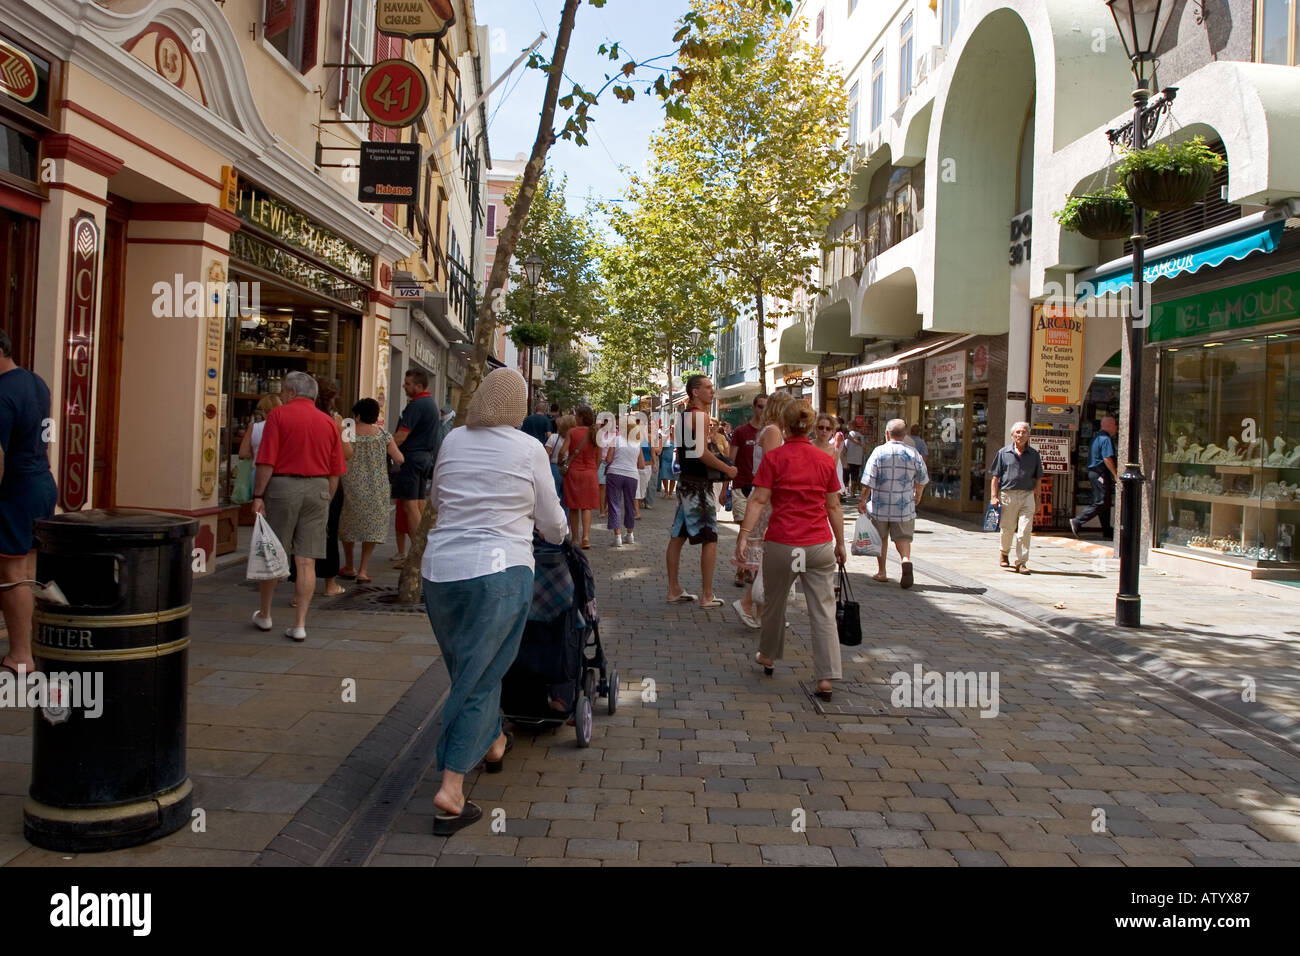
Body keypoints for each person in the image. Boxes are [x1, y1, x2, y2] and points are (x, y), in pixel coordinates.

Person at [421, 368, 568, 835]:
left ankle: (492, 741)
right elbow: (551, 519)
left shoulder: (453, 440)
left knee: (468, 670)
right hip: (499, 571)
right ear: (518, 408)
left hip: (440, 571)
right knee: (480, 677)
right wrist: (560, 536)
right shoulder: (529, 448)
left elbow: (436, 500)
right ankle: (451, 787)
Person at [736, 400, 846, 701]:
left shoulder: (775, 458)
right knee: (823, 610)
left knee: (775, 603)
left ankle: (768, 656)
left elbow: (759, 499)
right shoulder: (825, 459)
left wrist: (744, 535)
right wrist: (840, 543)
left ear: (784, 425)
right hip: (817, 544)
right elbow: (833, 506)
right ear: (810, 426)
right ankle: (826, 677)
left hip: (783, 542)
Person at [252, 371, 347, 641]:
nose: (283, 395)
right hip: (318, 488)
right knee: (307, 560)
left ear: (292, 392)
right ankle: (300, 624)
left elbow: (267, 460)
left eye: (284, 391)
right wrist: (327, 498)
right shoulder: (328, 422)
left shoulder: (278, 415)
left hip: (283, 487)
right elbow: (336, 469)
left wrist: (258, 495)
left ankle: (265, 614)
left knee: (273, 552)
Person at [0, 328, 57, 675]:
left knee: (11, 574)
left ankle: (20, 656)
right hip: (42, 482)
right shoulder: (36, 382)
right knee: (29, 571)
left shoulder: (3, 391)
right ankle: (33, 648)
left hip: (16, 489)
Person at [666, 375, 737, 609]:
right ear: (695, 392)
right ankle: (707, 594)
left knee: (677, 537)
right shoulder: (699, 416)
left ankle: (674, 589)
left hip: (687, 483)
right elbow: (700, 453)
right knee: (710, 537)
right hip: (698, 486)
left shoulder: (684, 416)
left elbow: (689, 452)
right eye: (707, 387)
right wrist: (726, 468)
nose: (712, 391)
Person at [733, 391, 794, 628]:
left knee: (768, 559)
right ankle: (748, 603)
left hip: (766, 495)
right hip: (768, 498)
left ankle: (763, 611)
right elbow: (774, 467)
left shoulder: (771, 430)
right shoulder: (773, 432)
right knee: (772, 559)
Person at [859, 418, 929, 589]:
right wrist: (918, 494)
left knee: (880, 537)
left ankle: (882, 572)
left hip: (880, 505)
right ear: (904, 435)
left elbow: (869, 479)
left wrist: (862, 499)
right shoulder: (913, 453)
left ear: (887, 434)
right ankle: (905, 560)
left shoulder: (879, 452)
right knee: (903, 538)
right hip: (904, 505)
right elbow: (922, 478)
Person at [339, 398, 404, 583]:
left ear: (358, 416)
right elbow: (399, 459)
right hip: (377, 486)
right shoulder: (384, 435)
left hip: (351, 485)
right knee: (372, 526)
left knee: (348, 525)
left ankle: (349, 565)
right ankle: (363, 569)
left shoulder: (347, 434)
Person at [392, 368, 442, 547]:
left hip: (412, 459)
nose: (404, 386)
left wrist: (385, 447)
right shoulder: (430, 404)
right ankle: (422, 546)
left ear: (419, 386)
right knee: (419, 503)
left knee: (410, 506)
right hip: (424, 458)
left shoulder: (416, 405)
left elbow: (401, 436)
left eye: (408, 384)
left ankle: (418, 550)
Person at [990, 421, 1043, 574]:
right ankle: (1004, 552)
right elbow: (995, 477)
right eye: (1018, 432)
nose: (1021, 435)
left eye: (1024, 432)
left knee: (1025, 530)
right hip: (1008, 495)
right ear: (1012, 435)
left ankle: (1021, 562)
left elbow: (1038, 478)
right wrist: (994, 496)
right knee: (1007, 528)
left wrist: (1038, 499)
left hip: (1027, 495)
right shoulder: (1003, 453)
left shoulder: (1034, 455)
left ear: (1029, 435)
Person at [559, 405, 600, 548]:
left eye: (576, 415)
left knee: (573, 506)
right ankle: (586, 537)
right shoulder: (596, 433)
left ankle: (575, 538)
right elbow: (599, 456)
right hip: (590, 472)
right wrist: (593, 468)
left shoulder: (572, 432)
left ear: (581, 417)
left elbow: (562, 451)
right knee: (587, 506)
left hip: (574, 473)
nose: (575, 418)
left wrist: (561, 462)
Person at [1071, 416, 1118, 540]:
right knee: (1101, 501)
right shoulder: (1106, 439)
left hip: (1094, 473)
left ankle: (1107, 530)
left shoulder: (1096, 438)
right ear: (1109, 425)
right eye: (1115, 425)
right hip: (1100, 473)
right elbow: (1107, 458)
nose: (1116, 428)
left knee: (1105, 502)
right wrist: (1115, 474)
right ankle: (1078, 520)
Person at [604, 425, 644, 547]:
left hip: (615, 473)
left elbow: (608, 459)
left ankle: (617, 537)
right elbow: (641, 465)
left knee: (614, 504)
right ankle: (630, 535)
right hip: (632, 476)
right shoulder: (637, 444)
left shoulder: (616, 440)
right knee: (630, 504)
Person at [238, 393, 283, 464]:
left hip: (258, 467)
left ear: (263, 412)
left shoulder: (254, 427)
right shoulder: (285, 426)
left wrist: (255, 454)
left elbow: (243, 453)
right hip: (279, 468)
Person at [843, 426, 867, 496]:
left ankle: (843, 492)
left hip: (848, 460)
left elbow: (845, 448)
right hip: (857, 460)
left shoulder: (848, 438)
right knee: (854, 477)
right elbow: (864, 448)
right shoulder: (862, 437)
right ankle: (852, 492)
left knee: (846, 477)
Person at [658, 421, 676, 498]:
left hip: (674, 459)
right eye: (671, 428)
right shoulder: (665, 436)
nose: (672, 430)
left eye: (674, 429)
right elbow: (661, 445)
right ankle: (666, 491)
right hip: (665, 459)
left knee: (673, 476)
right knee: (664, 475)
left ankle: (670, 493)